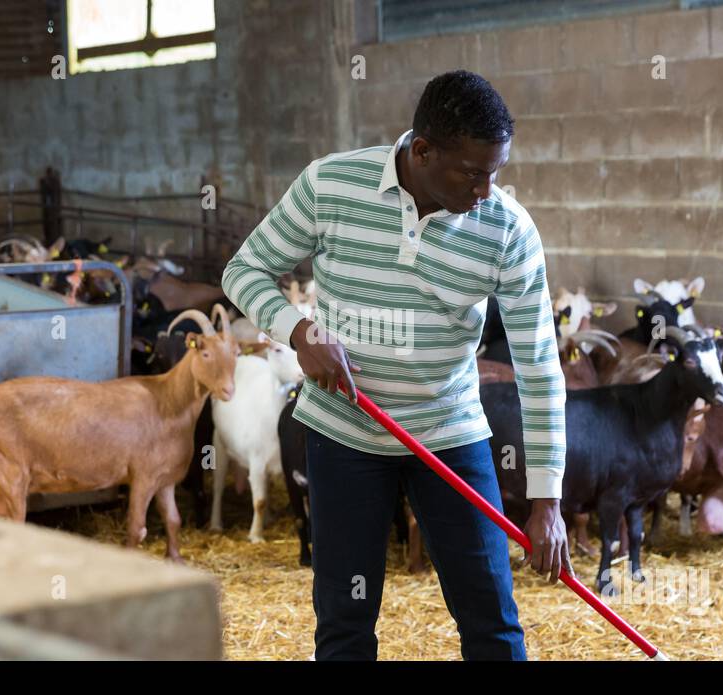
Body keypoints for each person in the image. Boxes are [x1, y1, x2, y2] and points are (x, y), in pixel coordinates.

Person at [222, 70, 568, 661]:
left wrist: (548, 502)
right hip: (344, 431)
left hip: (450, 433)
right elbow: (244, 270)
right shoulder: (331, 184)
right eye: (473, 172)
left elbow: (538, 365)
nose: (487, 190)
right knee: (345, 621)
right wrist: (300, 332)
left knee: (492, 617)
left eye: (496, 172)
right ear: (422, 150)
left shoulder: (507, 229)